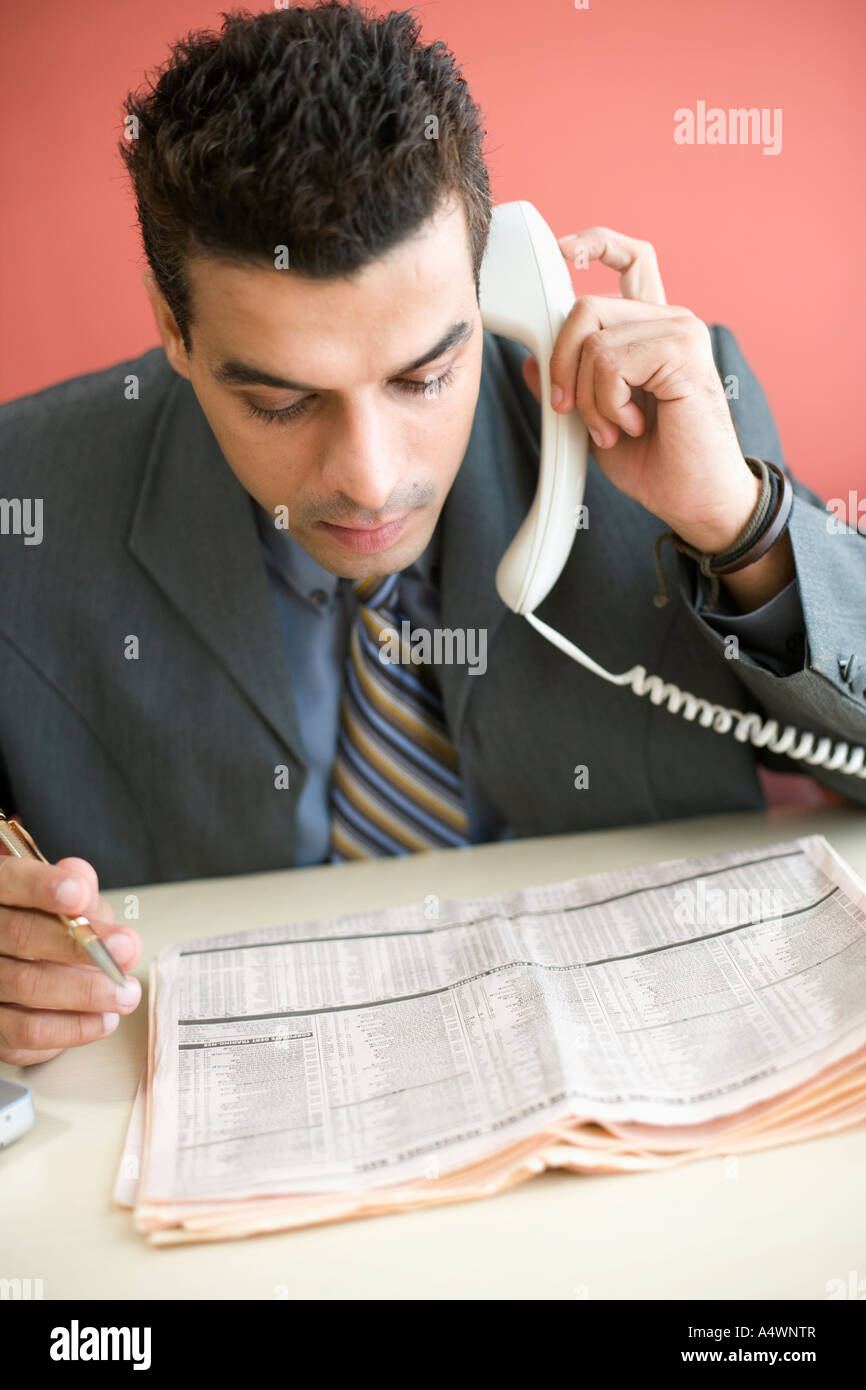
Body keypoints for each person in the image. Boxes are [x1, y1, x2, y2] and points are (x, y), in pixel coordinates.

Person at [1, 3, 863, 1066]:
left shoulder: (673, 420)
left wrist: (735, 527)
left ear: (495, 283)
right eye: (281, 401)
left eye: (425, 376)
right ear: (175, 328)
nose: (371, 477)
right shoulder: (24, 498)